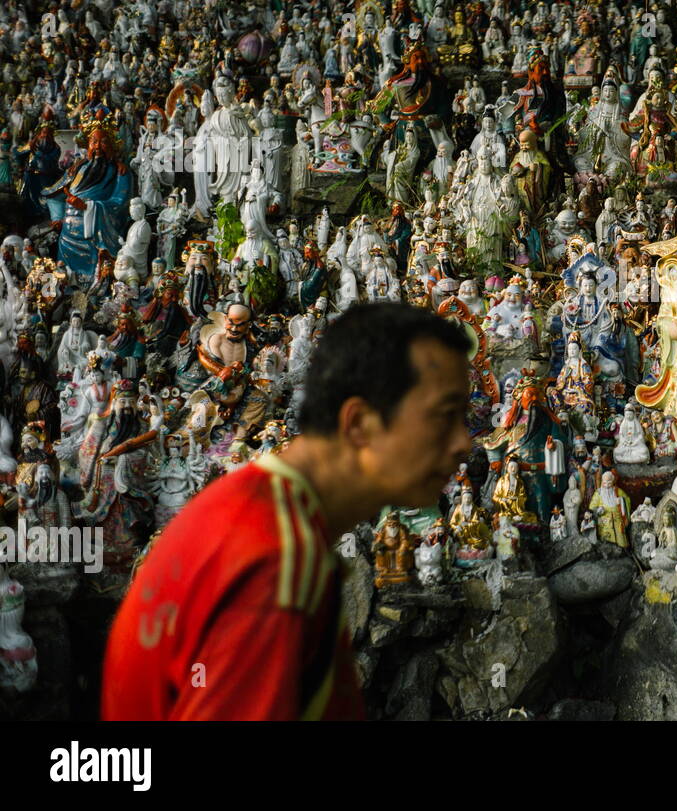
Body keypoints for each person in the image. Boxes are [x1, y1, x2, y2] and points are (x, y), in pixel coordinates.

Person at [102, 304, 473, 720]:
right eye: (444, 415)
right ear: (359, 423)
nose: (464, 443)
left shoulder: (260, 512)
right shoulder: (275, 562)